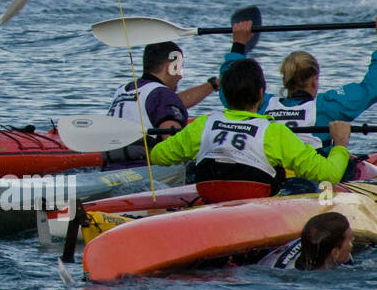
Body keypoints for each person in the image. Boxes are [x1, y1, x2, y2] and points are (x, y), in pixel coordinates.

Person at [147, 57, 350, 201]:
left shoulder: (202, 124)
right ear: (261, 94)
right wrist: (340, 144)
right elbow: (329, 174)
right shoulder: (274, 132)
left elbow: (157, 156)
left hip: (211, 199)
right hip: (257, 208)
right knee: (305, 187)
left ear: (225, 92)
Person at [221, 17, 377, 148]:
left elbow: (232, 88)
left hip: (269, 173)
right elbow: (371, 88)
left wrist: (238, 45)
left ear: (285, 79)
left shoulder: (260, 104)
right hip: (312, 178)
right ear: (315, 80)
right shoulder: (326, 108)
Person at [257, 213, 355, 270]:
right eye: (350, 239)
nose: (353, 240)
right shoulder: (286, 273)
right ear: (335, 253)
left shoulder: (316, 243)